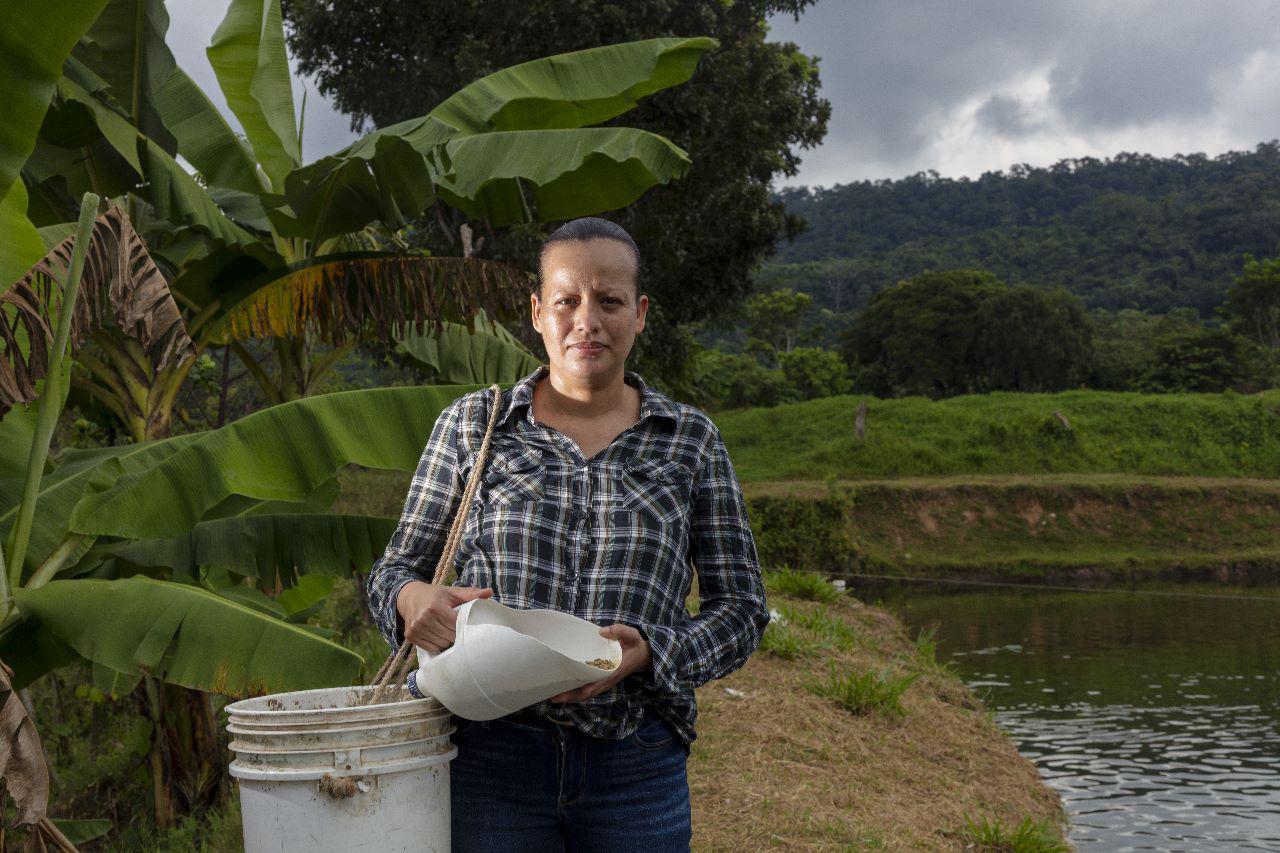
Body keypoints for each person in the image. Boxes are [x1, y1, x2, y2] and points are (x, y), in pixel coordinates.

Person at [366, 217, 769, 852]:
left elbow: (743, 609)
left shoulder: (689, 441)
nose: (588, 320)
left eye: (609, 301)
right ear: (536, 312)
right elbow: (392, 571)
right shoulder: (475, 425)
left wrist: (651, 654)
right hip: (486, 758)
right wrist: (411, 599)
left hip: (635, 765)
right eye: (567, 300)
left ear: (639, 314)